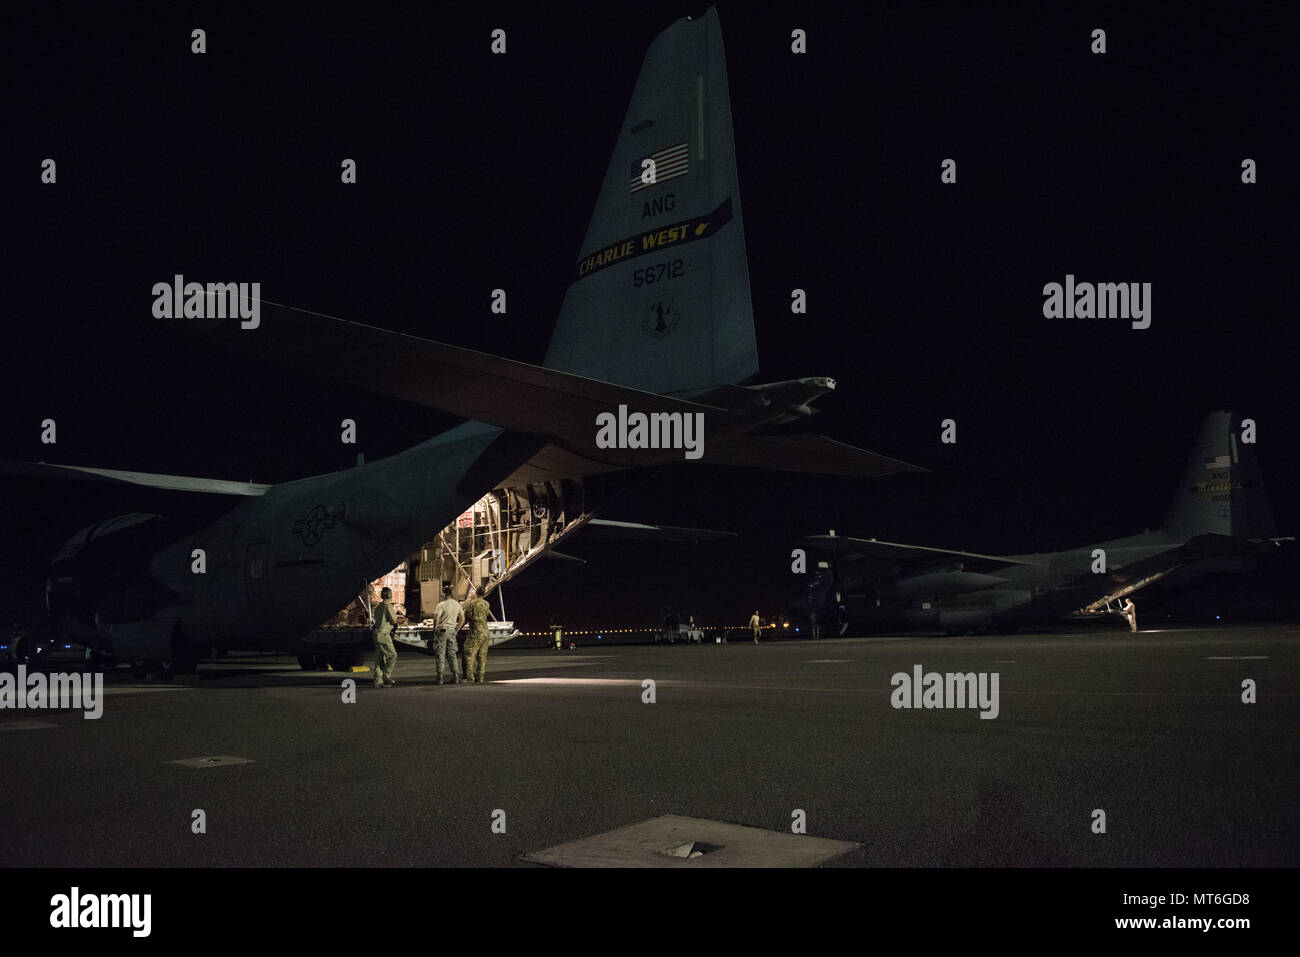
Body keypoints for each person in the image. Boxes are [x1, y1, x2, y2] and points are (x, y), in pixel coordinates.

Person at [432, 585, 465, 684]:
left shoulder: (441, 605)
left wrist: (434, 628)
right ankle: (455, 677)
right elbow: (462, 619)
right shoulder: (457, 604)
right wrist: (456, 629)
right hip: (452, 632)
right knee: (452, 655)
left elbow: (436, 618)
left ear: (444, 594)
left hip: (442, 631)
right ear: (452, 594)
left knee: (440, 654)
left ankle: (440, 678)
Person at [461, 589, 493, 683]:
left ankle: (469, 678)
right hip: (485, 633)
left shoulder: (471, 605)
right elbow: (485, 614)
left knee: (469, 655)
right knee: (482, 657)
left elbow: (465, 618)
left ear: (476, 593)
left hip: (475, 633)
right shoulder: (487, 604)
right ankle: (480, 677)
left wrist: (457, 628)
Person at [371, 586, 399, 687]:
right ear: (390, 595)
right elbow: (393, 621)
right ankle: (386, 676)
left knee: (379, 658)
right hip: (384, 634)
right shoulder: (388, 606)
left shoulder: (378, 607)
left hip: (376, 633)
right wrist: (396, 625)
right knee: (392, 655)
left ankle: (378, 681)